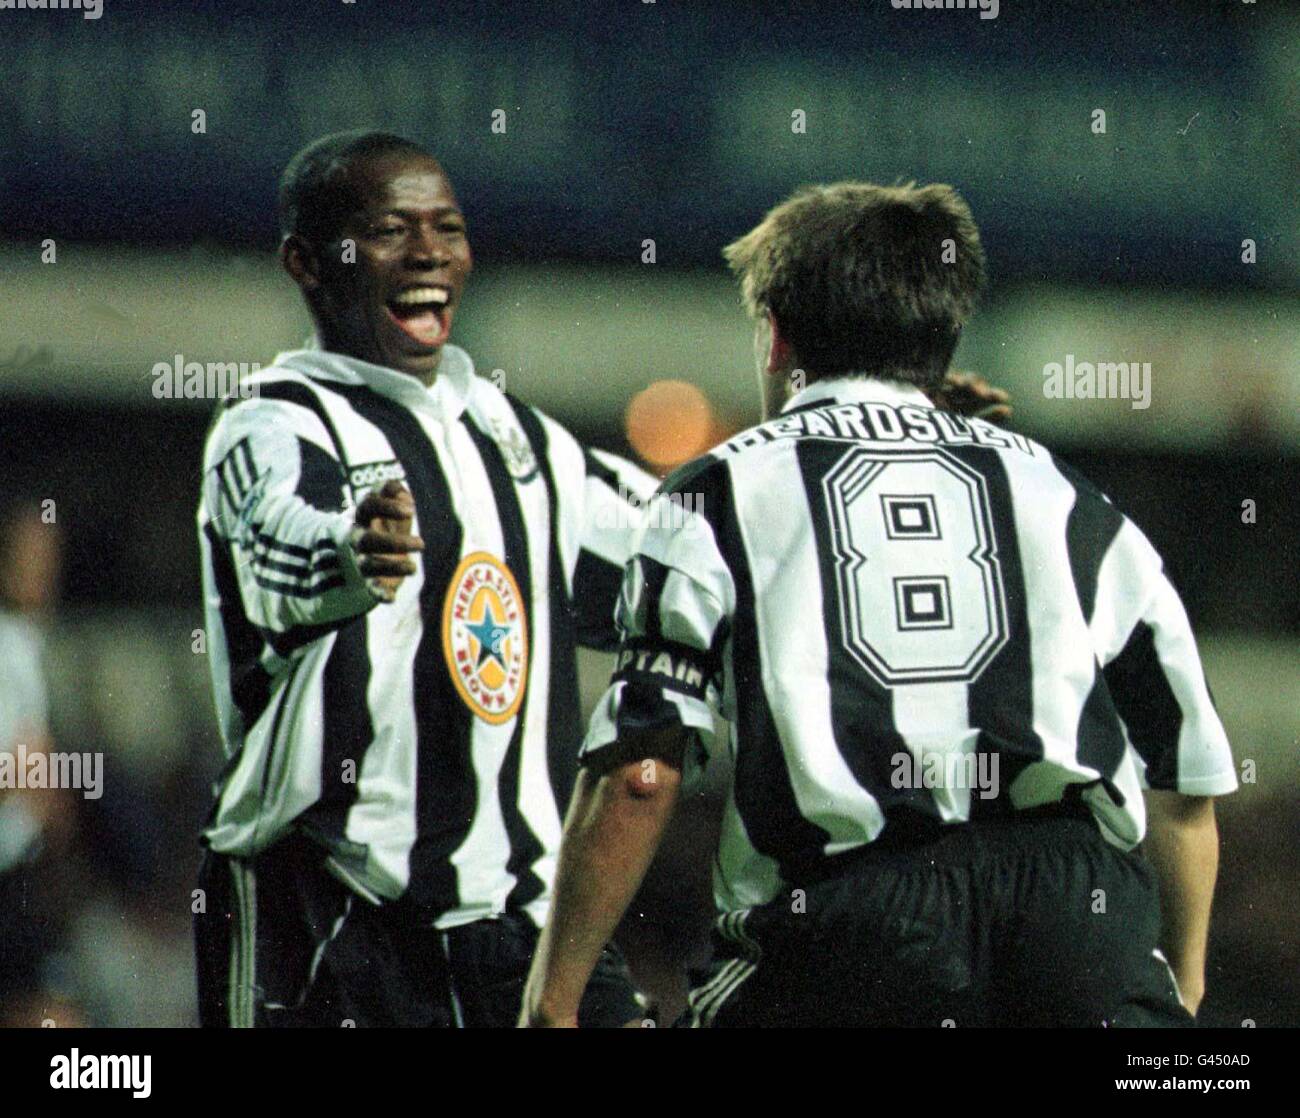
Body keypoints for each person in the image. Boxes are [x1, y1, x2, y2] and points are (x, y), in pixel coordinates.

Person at [520, 181, 1237, 1028]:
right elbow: (1186, 774)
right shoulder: (1063, 493)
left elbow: (640, 775)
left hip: (851, 927)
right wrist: (1179, 984)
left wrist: (553, 1001)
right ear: (943, 331)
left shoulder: (715, 493)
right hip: (1080, 924)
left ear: (776, 336)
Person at [193, 131, 656, 1028]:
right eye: (387, 230)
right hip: (333, 912)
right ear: (305, 263)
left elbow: (678, 551)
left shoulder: (521, 438)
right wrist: (349, 552)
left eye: (447, 228)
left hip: (521, 922)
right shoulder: (274, 422)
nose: (428, 252)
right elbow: (276, 552)